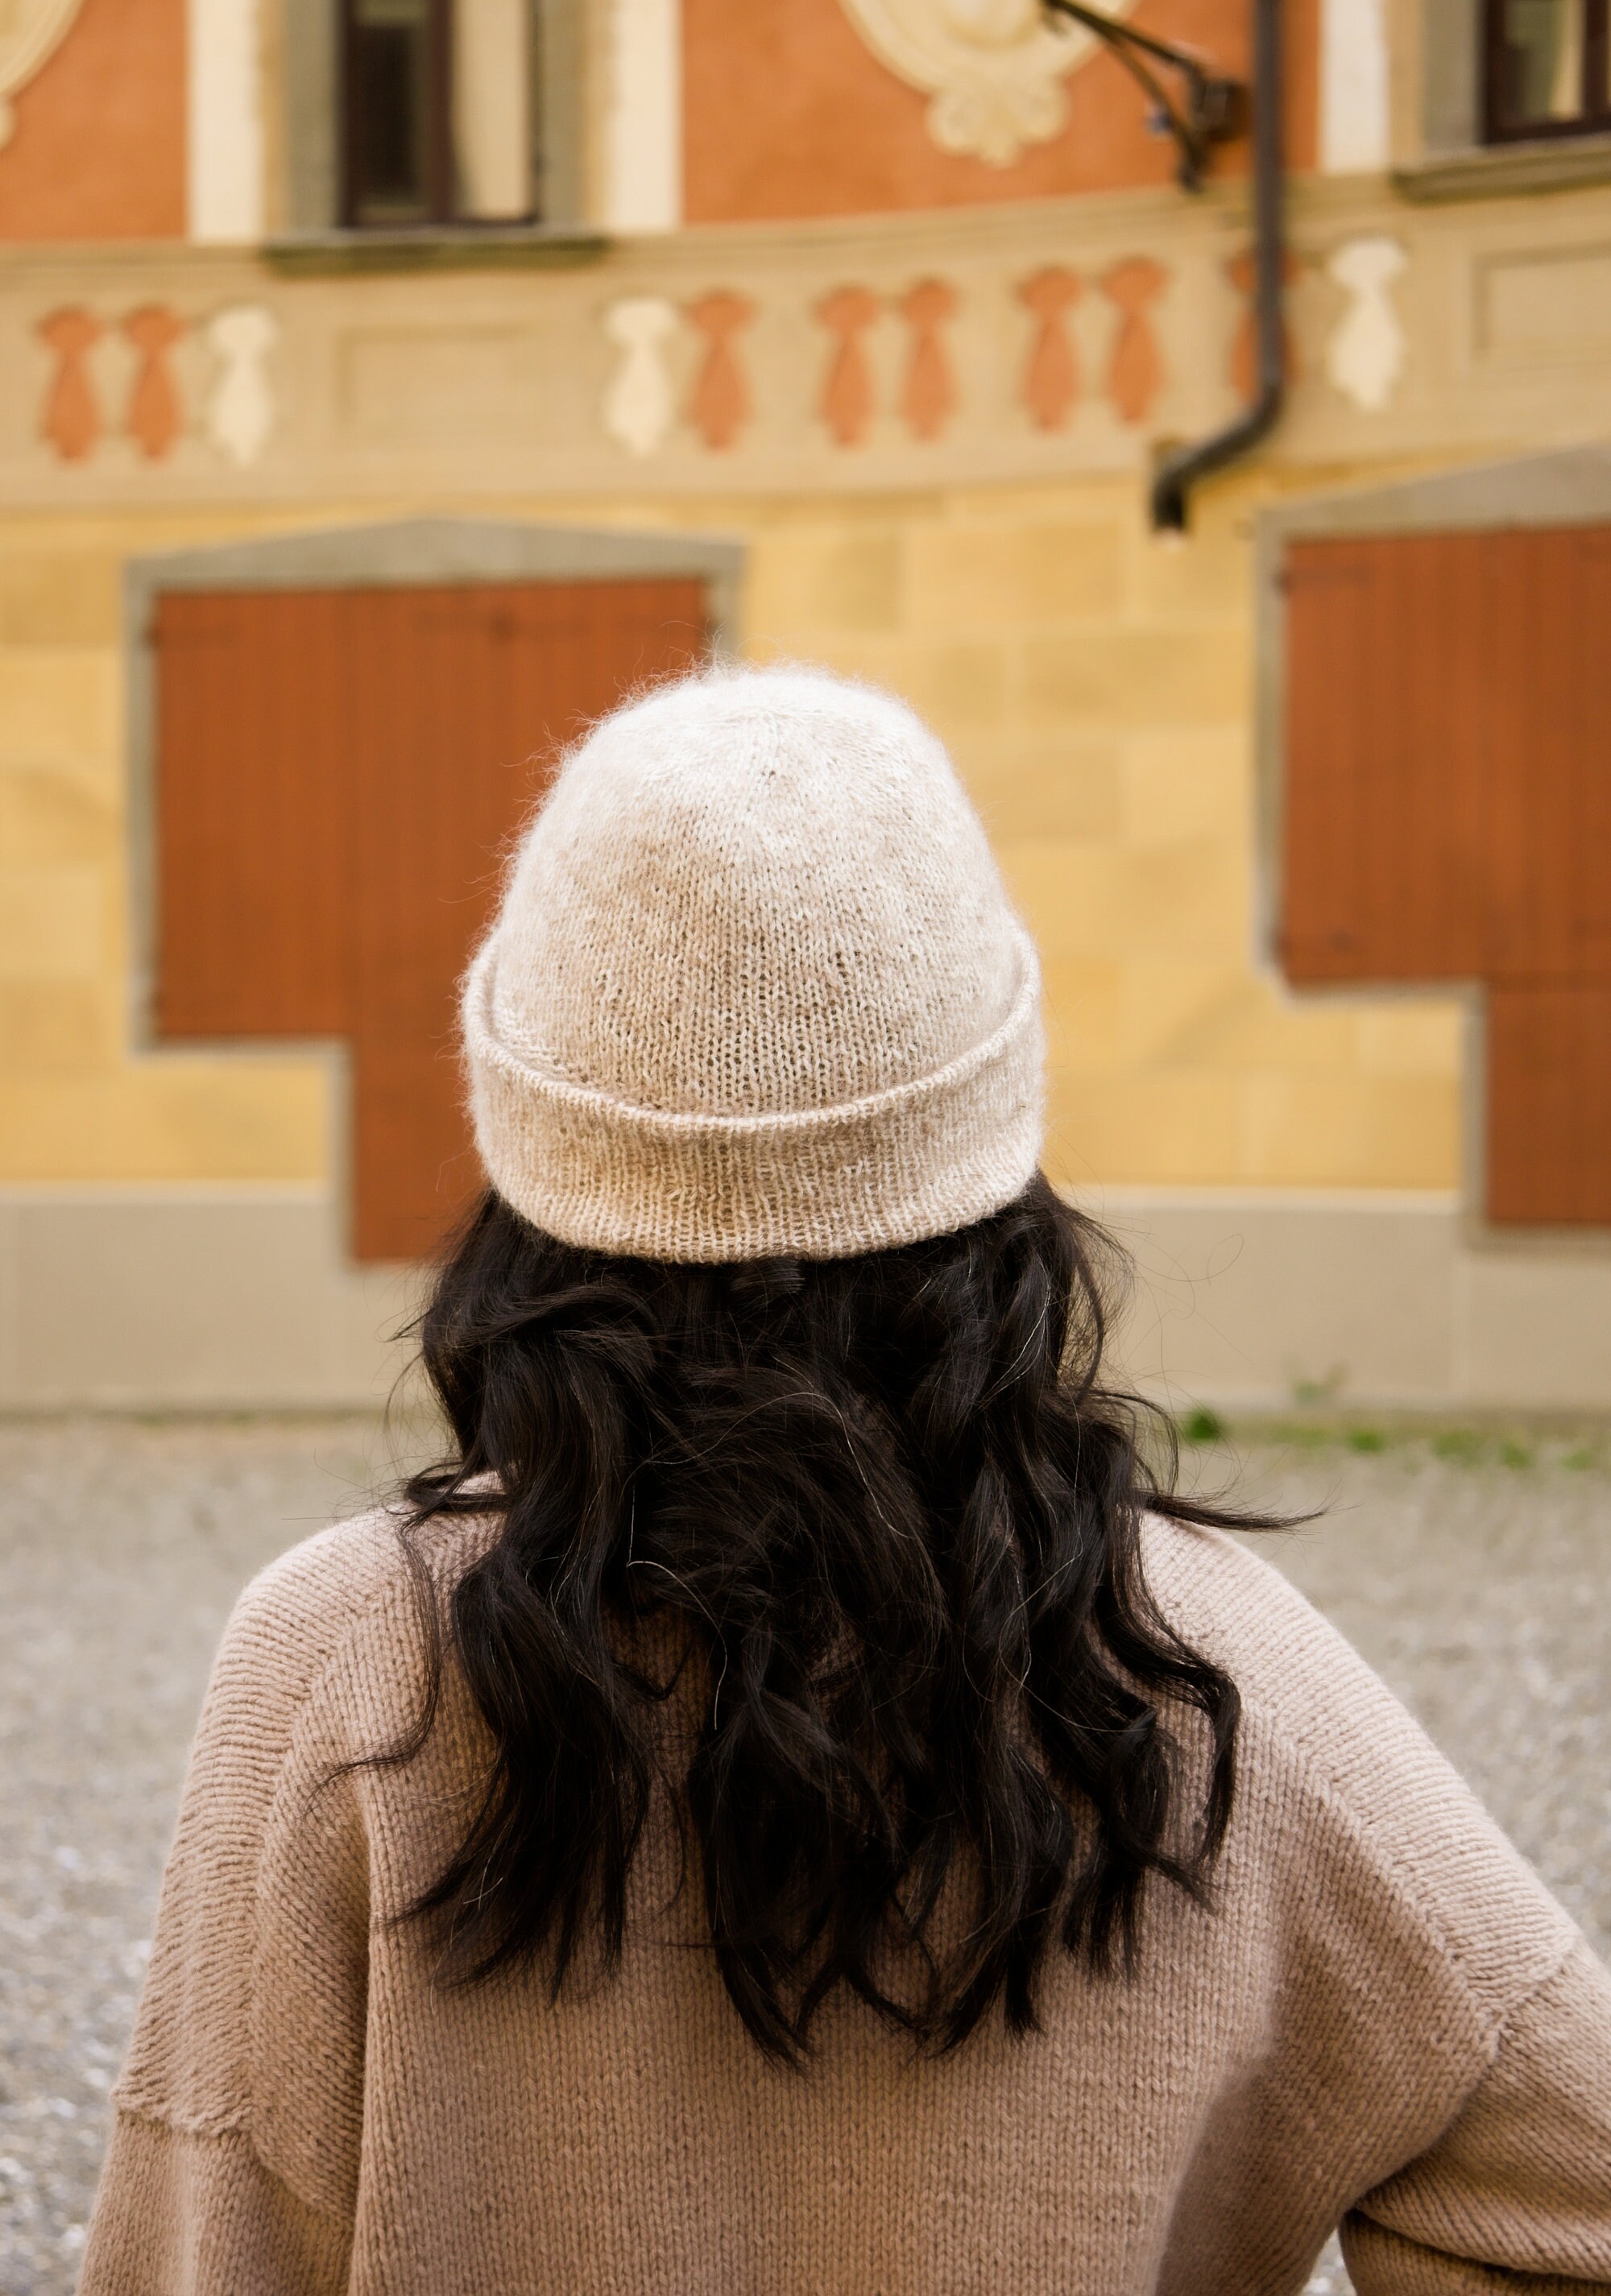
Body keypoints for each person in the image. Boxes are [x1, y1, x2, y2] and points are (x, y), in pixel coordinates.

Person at [81, 667, 1611, 2296]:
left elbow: (207, 2251)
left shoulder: (342, 1658)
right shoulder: (1210, 1668)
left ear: (529, 1145)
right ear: (991, 1147)